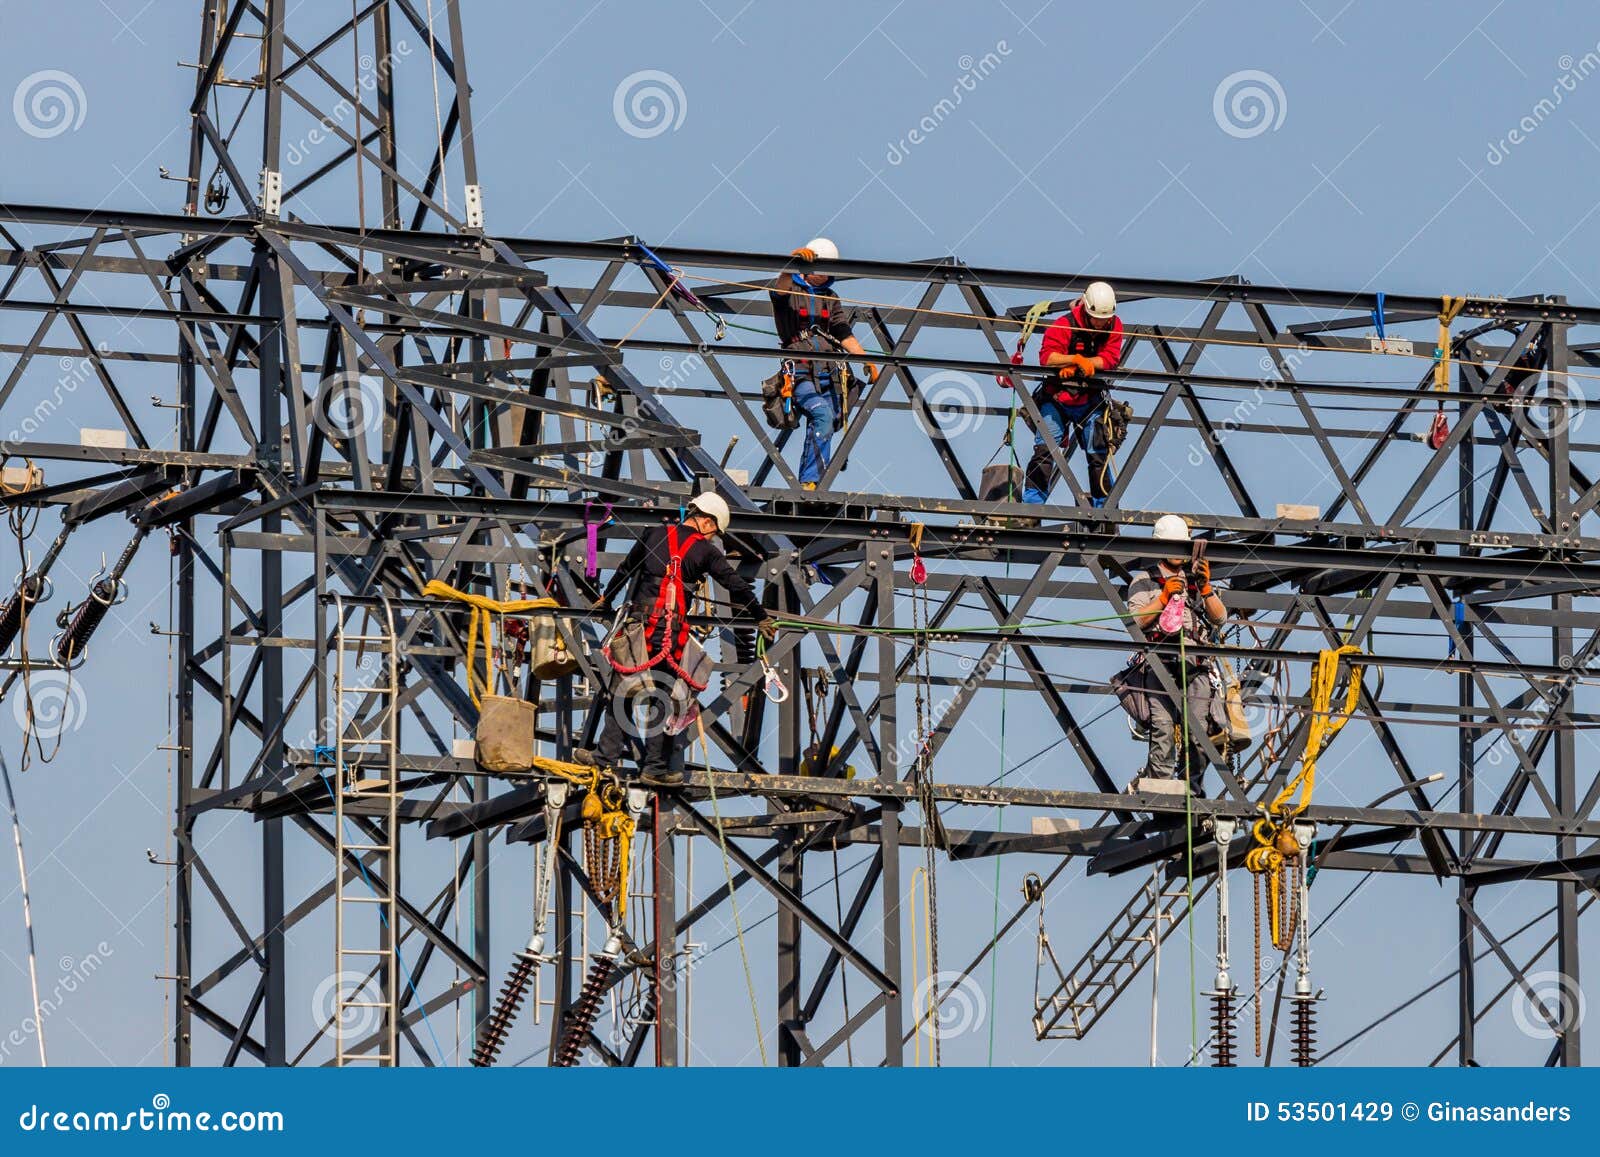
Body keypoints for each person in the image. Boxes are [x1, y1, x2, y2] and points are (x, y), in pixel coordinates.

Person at [576, 492, 775, 786]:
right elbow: (735, 584)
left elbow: (625, 569)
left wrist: (606, 601)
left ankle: (605, 757)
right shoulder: (705, 552)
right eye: (715, 531)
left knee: (621, 690)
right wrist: (760, 616)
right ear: (707, 522)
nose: (712, 537)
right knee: (663, 696)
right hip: (670, 634)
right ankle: (654, 768)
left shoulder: (654, 533)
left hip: (639, 626)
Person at [1124, 514, 1227, 791]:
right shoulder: (1144, 580)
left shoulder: (1194, 580)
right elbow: (1134, 622)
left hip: (1195, 662)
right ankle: (1159, 788)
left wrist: (1205, 588)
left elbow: (1219, 618)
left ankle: (1192, 788)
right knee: (1163, 731)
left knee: (1198, 732)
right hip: (1159, 664)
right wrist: (1163, 597)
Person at [769, 238, 879, 491]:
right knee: (822, 415)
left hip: (829, 373)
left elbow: (843, 332)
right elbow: (779, 291)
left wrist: (866, 360)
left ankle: (821, 468)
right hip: (800, 373)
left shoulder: (830, 297)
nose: (827, 274)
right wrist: (789, 266)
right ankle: (811, 482)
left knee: (833, 418)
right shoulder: (790, 293)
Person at [1020, 281, 1124, 507]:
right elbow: (1047, 358)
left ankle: (1104, 506)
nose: (1100, 324)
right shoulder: (1064, 325)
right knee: (1044, 449)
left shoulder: (1114, 326)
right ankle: (1031, 507)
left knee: (1099, 453)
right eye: (1096, 319)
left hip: (1090, 400)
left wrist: (1087, 364)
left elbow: (1111, 358)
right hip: (1057, 398)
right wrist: (1073, 360)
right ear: (1085, 310)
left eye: (1104, 320)